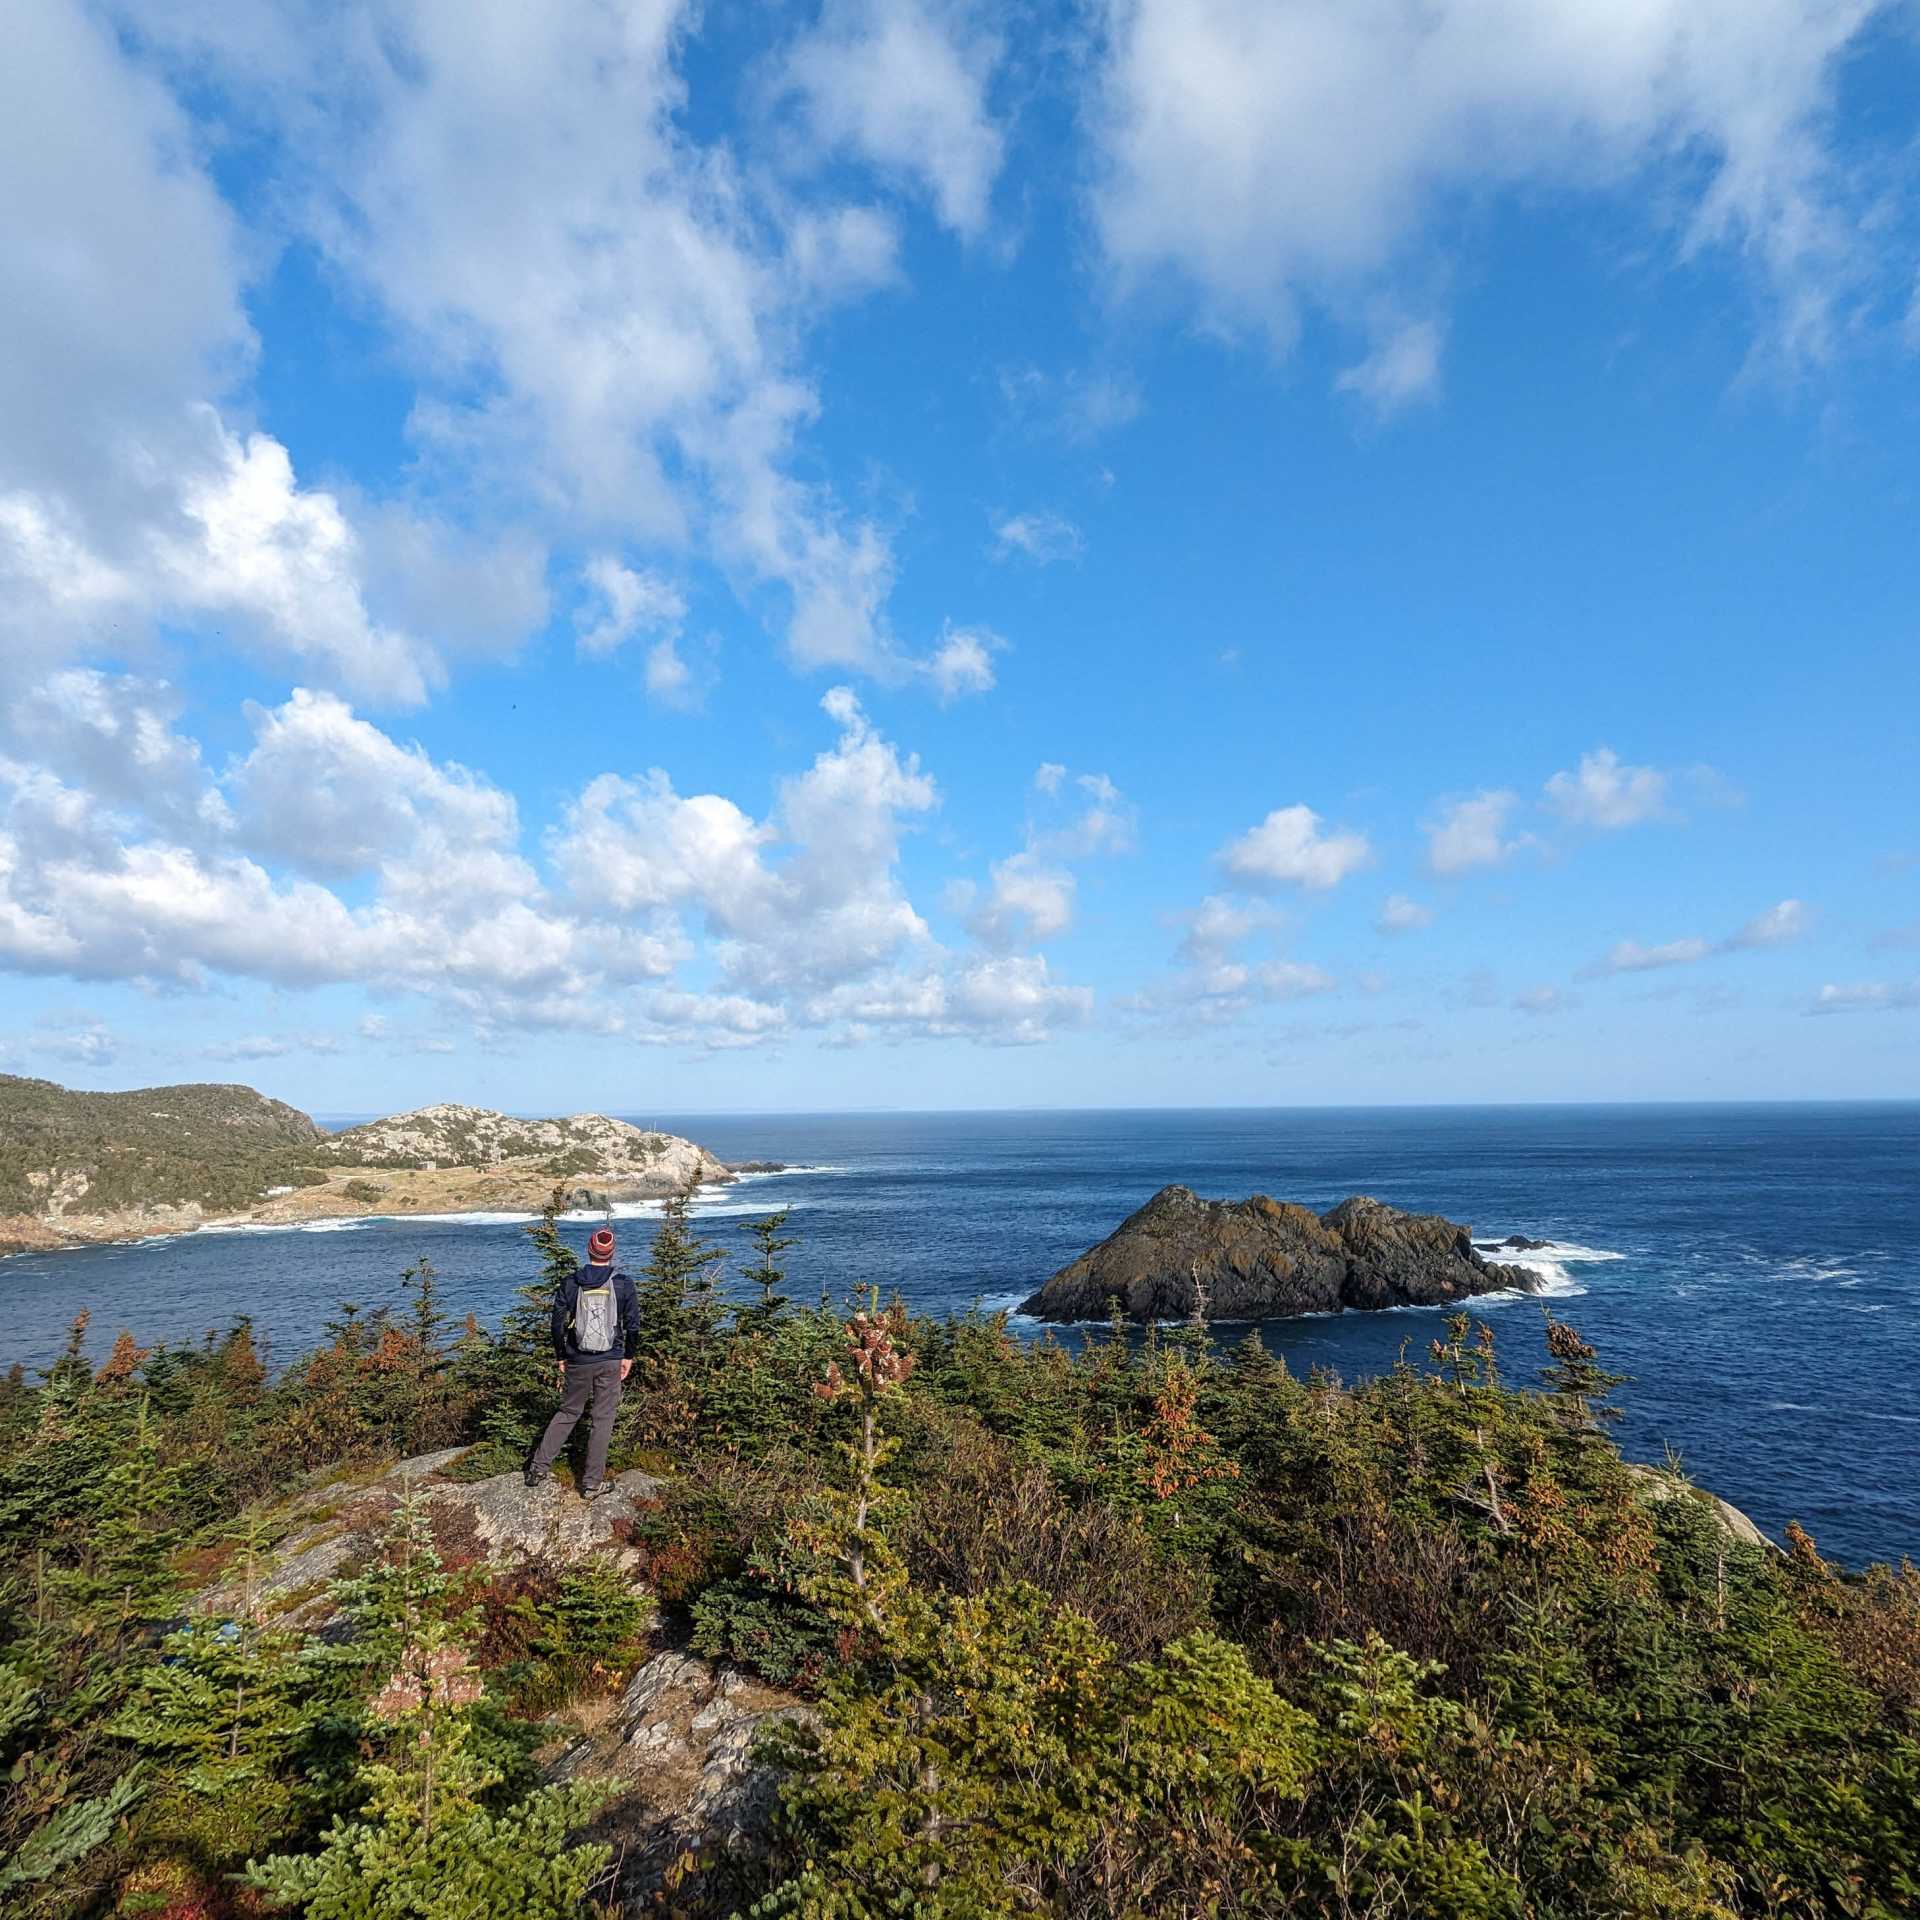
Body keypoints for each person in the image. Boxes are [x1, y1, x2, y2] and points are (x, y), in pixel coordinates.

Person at [523, 1226, 641, 1498]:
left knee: (567, 1413)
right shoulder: (623, 1283)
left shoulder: (570, 1282)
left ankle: (537, 1469)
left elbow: (556, 1325)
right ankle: (591, 1484)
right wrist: (628, 1357)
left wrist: (561, 1355)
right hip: (611, 1359)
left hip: (577, 1358)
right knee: (602, 1419)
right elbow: (633, 1326)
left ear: (588, 1250)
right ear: (611, 1254)